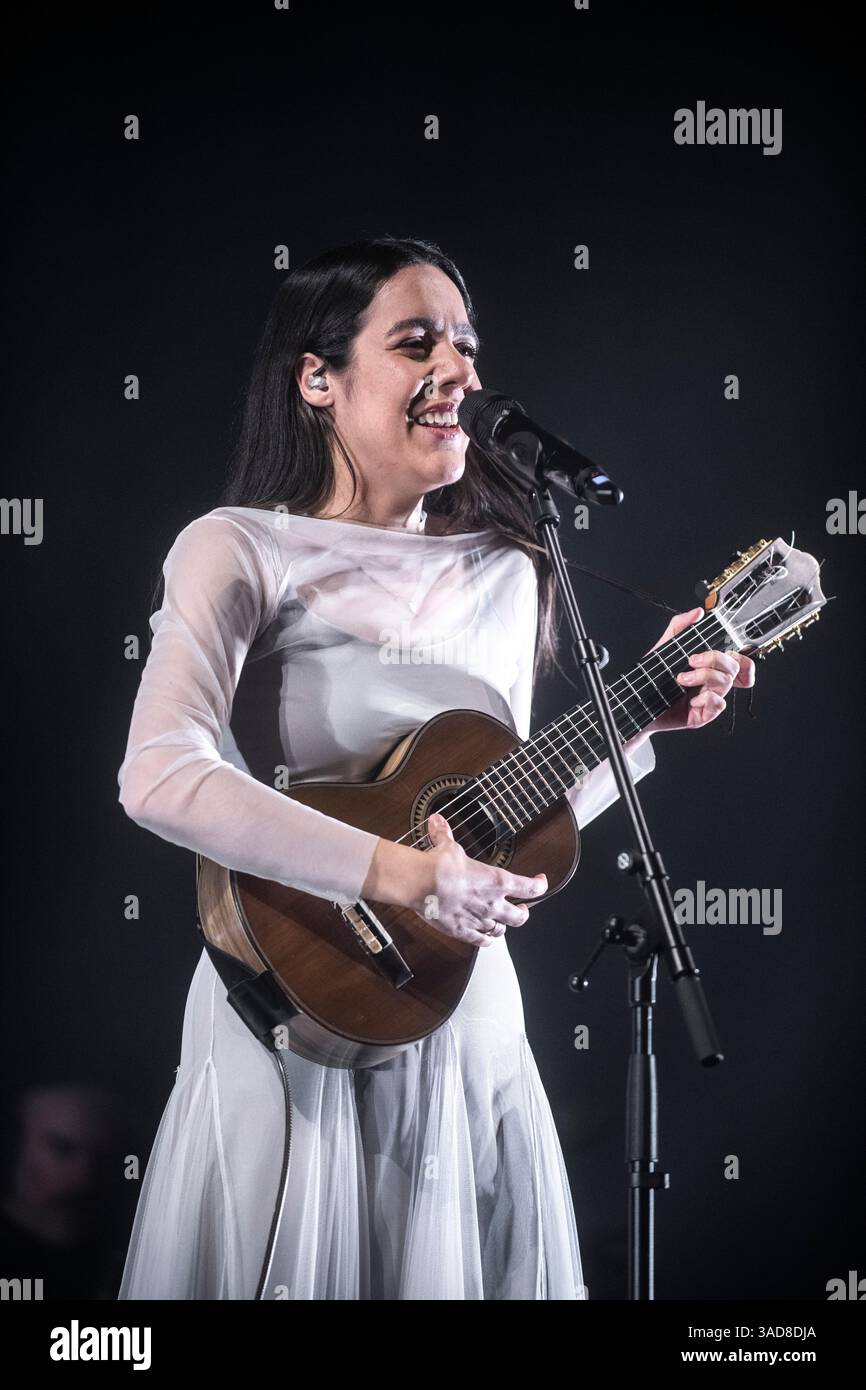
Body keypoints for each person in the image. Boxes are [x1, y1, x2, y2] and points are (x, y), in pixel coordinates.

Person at [115, 236, 755, 1300]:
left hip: (461, 1019)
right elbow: (159, 772)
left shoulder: (508, 568)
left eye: (464, 344)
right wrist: (407, 876)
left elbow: (508, 821)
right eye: (416, 343)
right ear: (317, 378)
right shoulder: (239, 547)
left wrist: (641, 726)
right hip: (297, 1009)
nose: (456, 369)